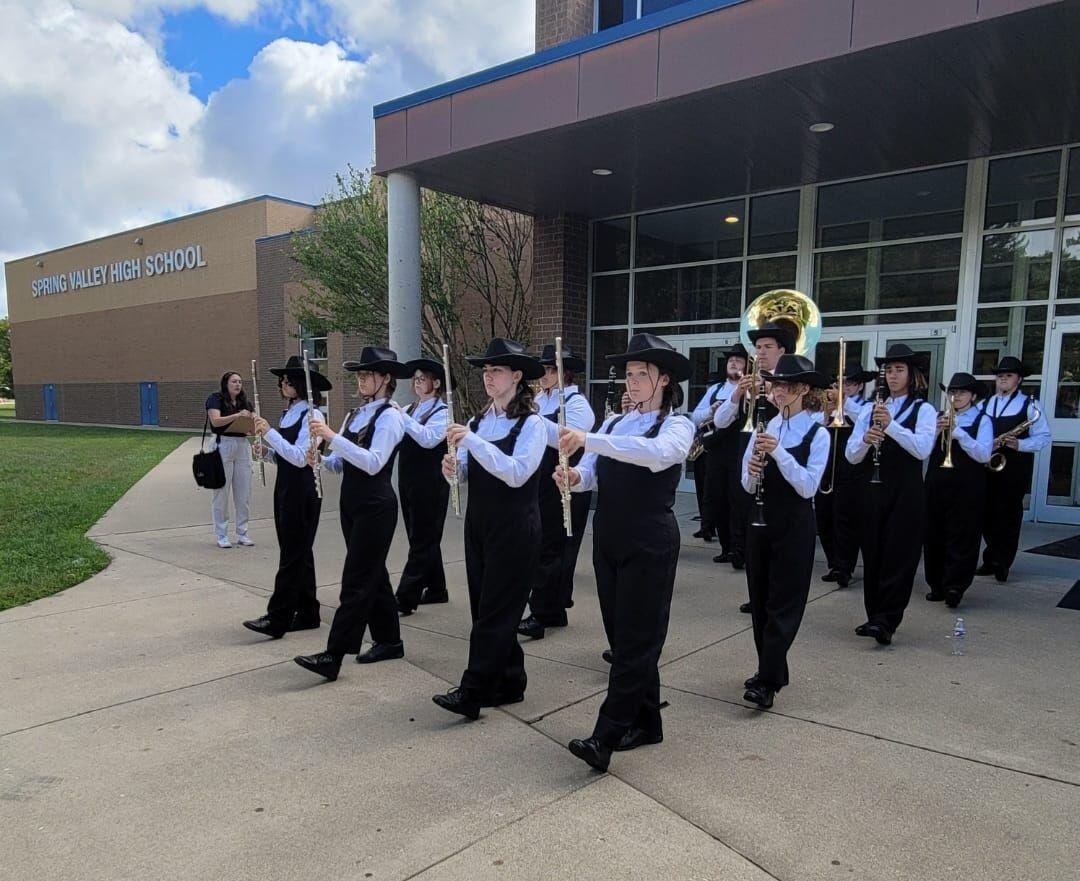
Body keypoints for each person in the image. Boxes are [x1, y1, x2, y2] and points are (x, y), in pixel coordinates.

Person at [556, 333, 694, 773]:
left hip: (650, 539)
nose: (632, 383)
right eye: (629, 375)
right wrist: (574, 477)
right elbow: (594, 473)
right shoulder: (615, 423)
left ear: (664, 379)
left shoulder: (678, 425)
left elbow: (654, 456)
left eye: (642, 375)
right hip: (610, 537)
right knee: (624, 636)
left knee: (636, 641)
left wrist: (588, 440)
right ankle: (648, 721)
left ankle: (606, 735)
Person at [432, 338, 546, 719]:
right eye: (485, 371)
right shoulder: (480, 421)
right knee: (487, 609)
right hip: (480, 524)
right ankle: (511, 680)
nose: (488, 377)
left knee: (496, 612)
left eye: (496, 371)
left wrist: (474, 443)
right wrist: (453, 469)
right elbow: (469, 469)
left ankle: (473, 689)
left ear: (516, 376)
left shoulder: (534, 424)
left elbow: (516, 474)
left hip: (515, 528)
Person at [292, 347, 412, 681]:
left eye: (367, 374)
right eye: (358, 374)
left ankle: (334, 655)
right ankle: (390, 640)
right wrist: (321, 460)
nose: (360, 380)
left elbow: (374, 461)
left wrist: (331, 437)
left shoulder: (391, 416)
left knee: (356, 579)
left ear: (385, 378)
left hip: (376, 505)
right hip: (353, 502)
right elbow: (343, 461)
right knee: (372, 572)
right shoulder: (354, 415)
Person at [740, 355, 830, 709]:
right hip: (760, 521)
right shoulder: (765, 426)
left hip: (794, 524)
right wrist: (751, 470)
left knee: (783, 602)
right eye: (776, 386)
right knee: (760, 599)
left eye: (786, 386)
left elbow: (808, 487)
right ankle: (771, 667)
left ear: (804, 389)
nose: (778, 393)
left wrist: (779, 454)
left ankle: (767, 681)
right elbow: (746, 486)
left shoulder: (817, 432)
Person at [845, 344, 935, 645]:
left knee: (899, 556)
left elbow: (922, 449)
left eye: (899, 370)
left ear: (912, 375)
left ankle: (888, 620)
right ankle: (874, 615)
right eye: (889, 370)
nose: (893, 376)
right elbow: (851, 455)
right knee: (873, 554)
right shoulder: (869, 409)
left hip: (905, 492)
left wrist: (891, 426)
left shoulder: (924, 409)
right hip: (873, 490)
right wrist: (867, 440)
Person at [242, 356, 330, 638]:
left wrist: (269, 434)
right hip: (286, 487)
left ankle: (278, 616)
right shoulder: (288, 413)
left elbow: (301, 458)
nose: (282, 384)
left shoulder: (314, 416)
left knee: (293, 554)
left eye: (288, 380)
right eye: (282, 380)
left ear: (301, 385)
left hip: (304, 490)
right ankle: (308, 612)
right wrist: (266, 453)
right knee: (298, 552)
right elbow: (284, 457)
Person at [713, 323, 794, 615]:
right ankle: (756, 592)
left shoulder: (790, 381)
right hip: (748, 456)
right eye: (757, 347)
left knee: (774, 531)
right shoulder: (748, 380)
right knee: (749, 529)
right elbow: (721, 422)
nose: (760, 352)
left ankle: (775, 594)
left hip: (778, 459)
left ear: (782, 351)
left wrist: (771, 395)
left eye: (767, 347)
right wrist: (737, 395)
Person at [518, 343, 596, 640]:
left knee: (557, 547)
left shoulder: (577, 404)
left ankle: (543, 611)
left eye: (552, 370)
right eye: (545, 370)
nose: (545, 376)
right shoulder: (539, 399)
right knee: (543, 545)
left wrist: (533, 421)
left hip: (567, 481)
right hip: (541, 480)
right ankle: (552, 608)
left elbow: (565, 439)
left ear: (567, 374)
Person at [976, 357, 1051, 582]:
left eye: (1008, 376)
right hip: (988, 464)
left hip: (1014, 467)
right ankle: (990, 558)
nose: (1003, 379)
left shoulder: (1030, 405)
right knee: (985, 514)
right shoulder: (985, 403)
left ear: (1018, 379)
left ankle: (1003, 561)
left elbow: (1044, 437)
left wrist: (1020, 444)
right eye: (1000, 376)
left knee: (1007, 515)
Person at [924, 373, 993, 609]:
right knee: (934, 535)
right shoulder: (939, 417)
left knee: (962, 536)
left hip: (967, 487)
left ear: (973, 396)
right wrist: (935, 431)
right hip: (937, 484)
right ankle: (936, 584)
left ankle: (955, 586)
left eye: (962, 392)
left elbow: (984, 455)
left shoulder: (982, 420)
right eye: (953, 392)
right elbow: (924, 451)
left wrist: (959, 433)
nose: (956, 397)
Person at [394, 358, 451, 616]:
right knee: (420, 535)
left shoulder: (443, 412)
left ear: (436, 383)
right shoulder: (410, 408)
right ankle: (437, 587)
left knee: (423, 539)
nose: (416, 383)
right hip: (408, 480)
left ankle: (405, 597)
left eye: (421, 379)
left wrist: (401, 418)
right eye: (415, 379)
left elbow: (429, 440)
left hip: (431, 482)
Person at [813, 364, 875, 587]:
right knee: (824, 516)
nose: (843, 388)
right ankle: (833, 562)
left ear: (859, 386)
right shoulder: (829, 405)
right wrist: (826, 413)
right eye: (839, 383)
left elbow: (867, 423)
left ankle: (844, 567)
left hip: (853, 470)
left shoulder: (866, 407)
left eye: (848, 383)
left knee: (845, 519)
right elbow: (813, 428)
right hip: (827, 467)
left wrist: (844, 404)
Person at [701, 344, 749, 566]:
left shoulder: (750, 388)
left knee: (738, 500)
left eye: (739, 360)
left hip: (739, 449)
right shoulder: (715, 389)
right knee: (717, 498)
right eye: (731, 360)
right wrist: (710, 411)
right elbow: (695, 416)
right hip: (717, 451)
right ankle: (726, 546)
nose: (733, 363)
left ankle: (740, 550)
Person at [205, 371, 254, 549]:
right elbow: (216, 421)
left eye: (240, 382)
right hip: (222, 443)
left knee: (244, 492)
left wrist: (252, 422)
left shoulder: (244, 402)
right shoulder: (215, 398)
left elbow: (251, 429)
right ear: (226, 383)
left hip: (241, 444)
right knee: (221, 493)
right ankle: (222, 534)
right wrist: (236, 416)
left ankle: (243, 532)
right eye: (234, 381)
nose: (238, 384)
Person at [689, 367, 726, 543]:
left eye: (712, 384)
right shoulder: (711, 395)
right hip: (704, 443)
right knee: (702, 488)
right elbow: (696, 417)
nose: (709, 388)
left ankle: (714, 526)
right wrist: (709, 412)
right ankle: (706, 525)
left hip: (720, 445)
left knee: (715, 492)